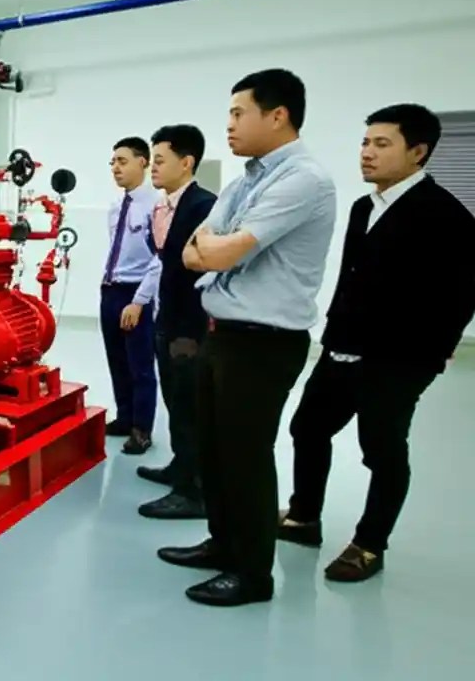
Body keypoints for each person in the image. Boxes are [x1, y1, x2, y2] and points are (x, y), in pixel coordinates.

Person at [158, 69, 337, 607]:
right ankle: (222, 543)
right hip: (223, 334)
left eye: (239, 113)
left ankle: (253, 574)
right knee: (213, 451)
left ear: (277, 115)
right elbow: (192, 251)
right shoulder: (243, 181)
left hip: (264, 341)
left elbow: (221, 252)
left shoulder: (303, 179)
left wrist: (214, 247)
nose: (229, 124)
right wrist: (211, 247)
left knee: (246, 457)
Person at [278, 104, 475, 582]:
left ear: (419, 152)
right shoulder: (365, 206)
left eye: (381, 144)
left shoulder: (445, 214)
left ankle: (369, 544)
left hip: (399, 361)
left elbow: (463, 291)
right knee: (307, 429)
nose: (366, 153)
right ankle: (304, 517)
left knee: (382, 451)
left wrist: (435, 351)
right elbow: (352, 276)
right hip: (342, 346)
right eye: (365, 142)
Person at [136, 125, 217, 520]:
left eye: (160, 161)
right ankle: (179, 466)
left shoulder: (204, 206)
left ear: (186, 163)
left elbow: (202, 272)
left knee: (190, 407)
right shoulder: (164, 206)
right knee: (175, 400)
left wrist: (190, 331)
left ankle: (194, 490)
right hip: (166, 318)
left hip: (189, 325)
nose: (153, 168)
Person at [100, 137, 161, 455]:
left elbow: (158, 259)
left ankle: (142, 429)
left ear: (143, 162)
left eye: (122, 161)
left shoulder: (157, 206)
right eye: (112, 162)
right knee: (117, 360)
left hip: (134, 292)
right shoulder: (115, 208)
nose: (115, 168)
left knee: (140, 365)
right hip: (110, 289)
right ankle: (124, 417)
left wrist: (139, 301)